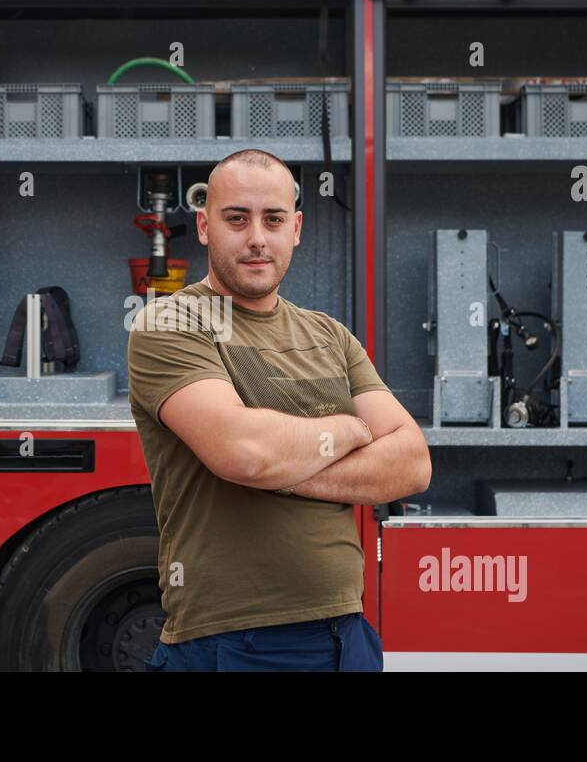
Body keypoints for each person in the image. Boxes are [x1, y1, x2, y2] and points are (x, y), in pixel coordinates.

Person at [126, 148, 432, 672]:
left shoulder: (329, 336)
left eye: (272, 219)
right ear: (204, 226)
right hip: (231, 642)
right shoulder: (168, 323)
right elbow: (243, 453)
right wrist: (354, 429)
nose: (256, 239)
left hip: (347, 635)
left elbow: (412, 464)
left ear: (297, 228)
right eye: (236, 219)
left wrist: (282, 461)